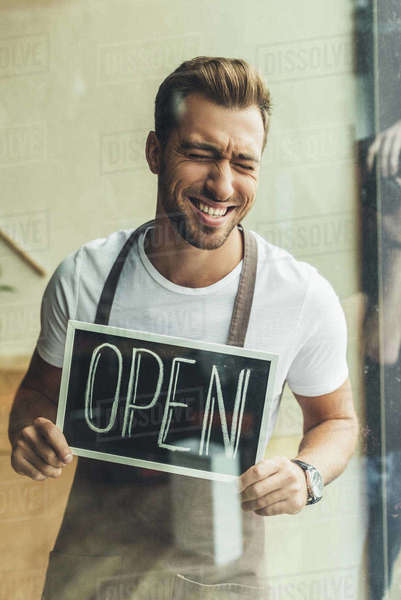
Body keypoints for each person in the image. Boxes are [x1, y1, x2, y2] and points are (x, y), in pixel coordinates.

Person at [8, 57, 358, 599]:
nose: (222, 184)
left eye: (244, 162)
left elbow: (338, 422)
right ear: (155, 152)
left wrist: (306, 475)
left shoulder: (299, 296)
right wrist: (28, 431)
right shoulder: (85, 278)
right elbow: (37, 392)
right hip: (93, 581)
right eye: (199, 154)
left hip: (222, 584)